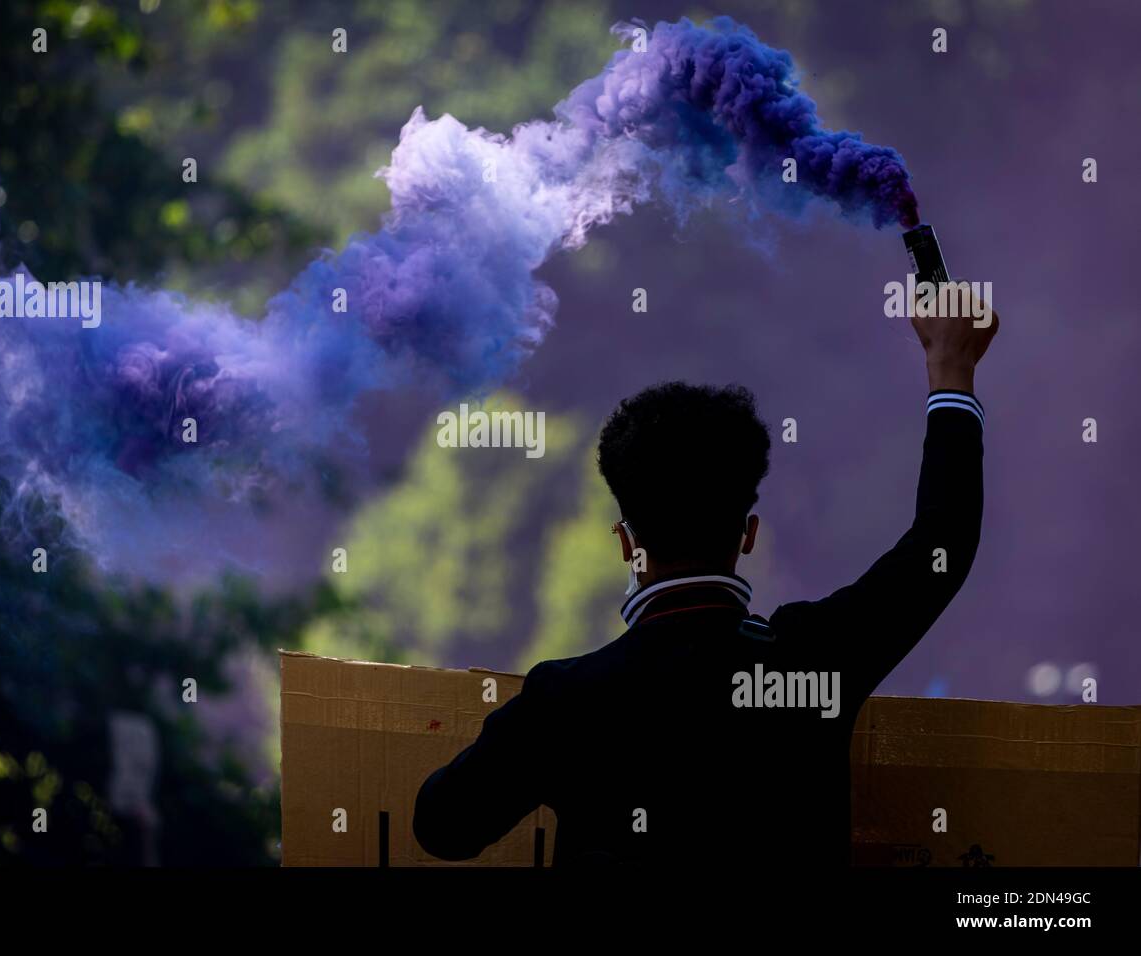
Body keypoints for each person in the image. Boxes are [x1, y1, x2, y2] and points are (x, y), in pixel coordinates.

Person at [413, 294, 999, 865]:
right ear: (747, 534)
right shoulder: (813, 661)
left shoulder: (566, 699)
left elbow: (441, 828)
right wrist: (952, 363)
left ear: (626, 544)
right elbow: (941, 545)